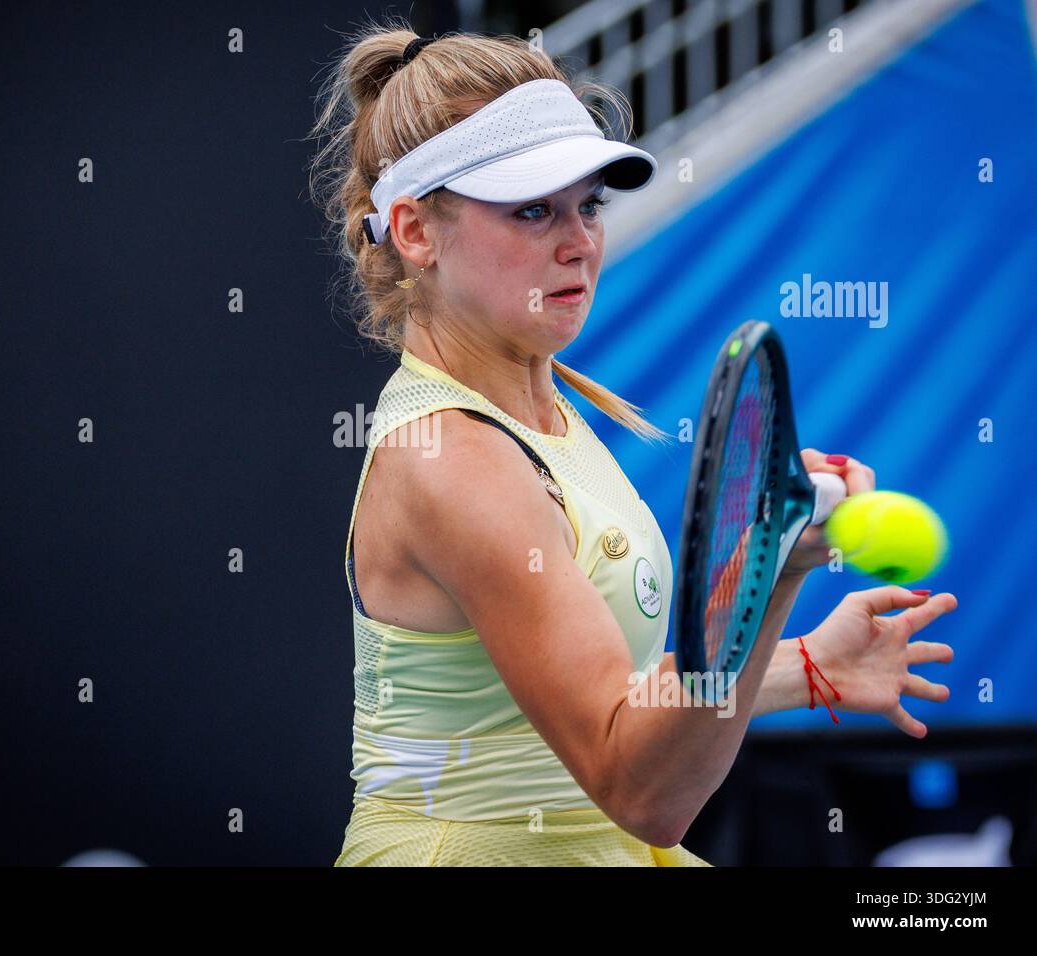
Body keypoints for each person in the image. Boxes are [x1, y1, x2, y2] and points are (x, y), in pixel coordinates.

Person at [306, 22, 959, 866]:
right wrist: (772, 569)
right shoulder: (455, 459)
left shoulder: (544, 411)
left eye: (588, 205)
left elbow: (613, 702)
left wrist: (803, 666)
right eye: (533, 208)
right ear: (416, 231)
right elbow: (643, 789)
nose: (578, 240)